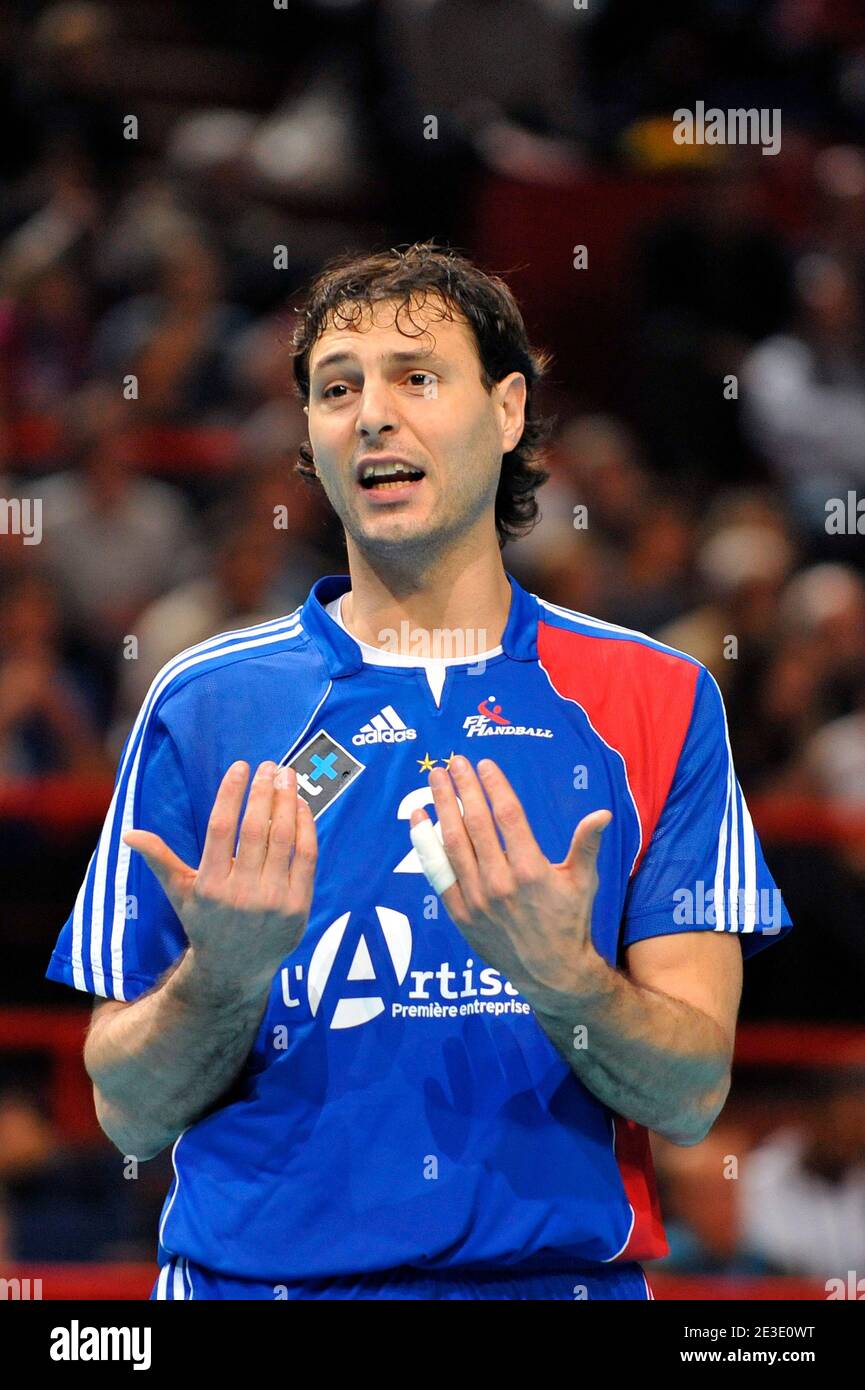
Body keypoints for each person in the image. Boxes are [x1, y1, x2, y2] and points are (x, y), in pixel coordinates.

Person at [45, 242, 793, 1301]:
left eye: (416, 376)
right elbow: (127, 1110)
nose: (372, 415)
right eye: (336, 387)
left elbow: (688, 1096)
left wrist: (561, 975)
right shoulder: (205, 701)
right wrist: (224, 976)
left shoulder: (659, 696)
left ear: (506, 409)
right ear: (309, 436)